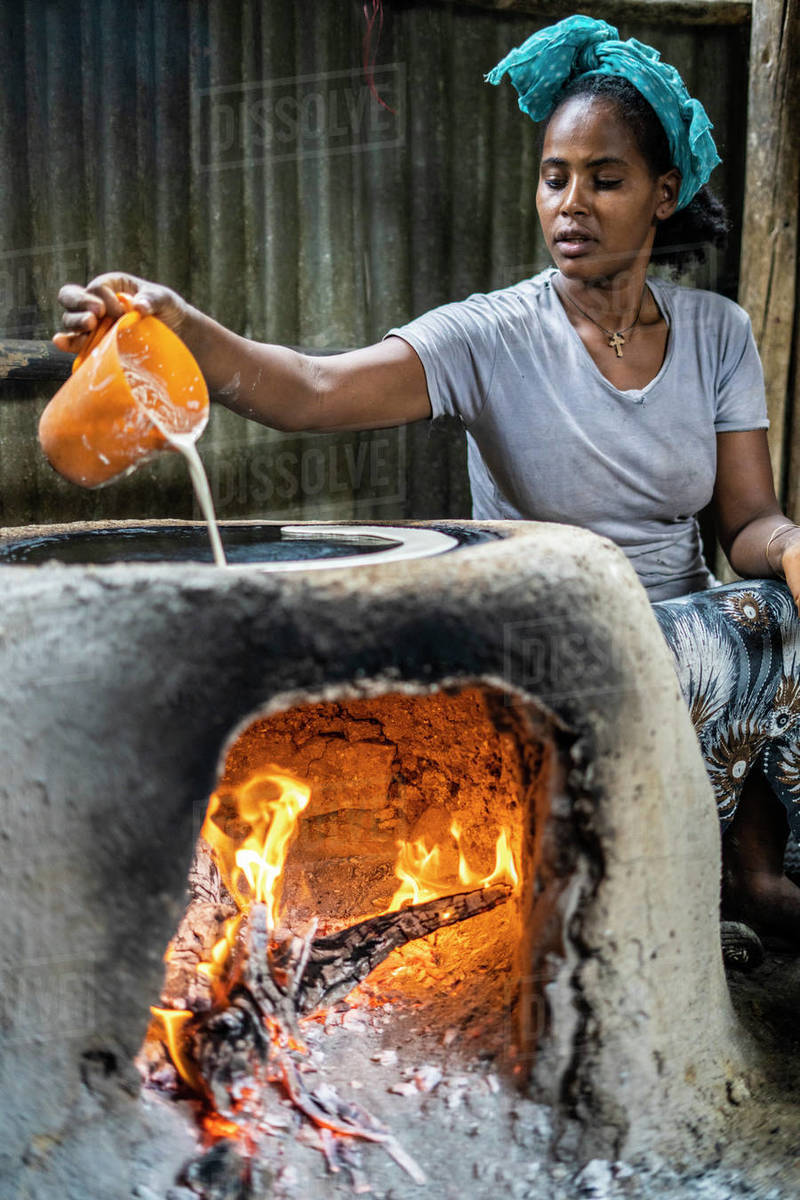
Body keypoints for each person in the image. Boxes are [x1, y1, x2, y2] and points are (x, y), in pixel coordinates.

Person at [54, 16, 800, 948]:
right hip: (564, 646)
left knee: (772, 614)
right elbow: (312, 388)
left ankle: (754, 879)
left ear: (663, 195)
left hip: (700, 642)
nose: (571, 202)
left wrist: (791, 549)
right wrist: (181, 325)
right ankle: (667, 890)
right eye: (553, 175)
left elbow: (749, 521)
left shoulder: (719, 334)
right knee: (733, 633)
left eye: (605, 180)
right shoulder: (489, 336)